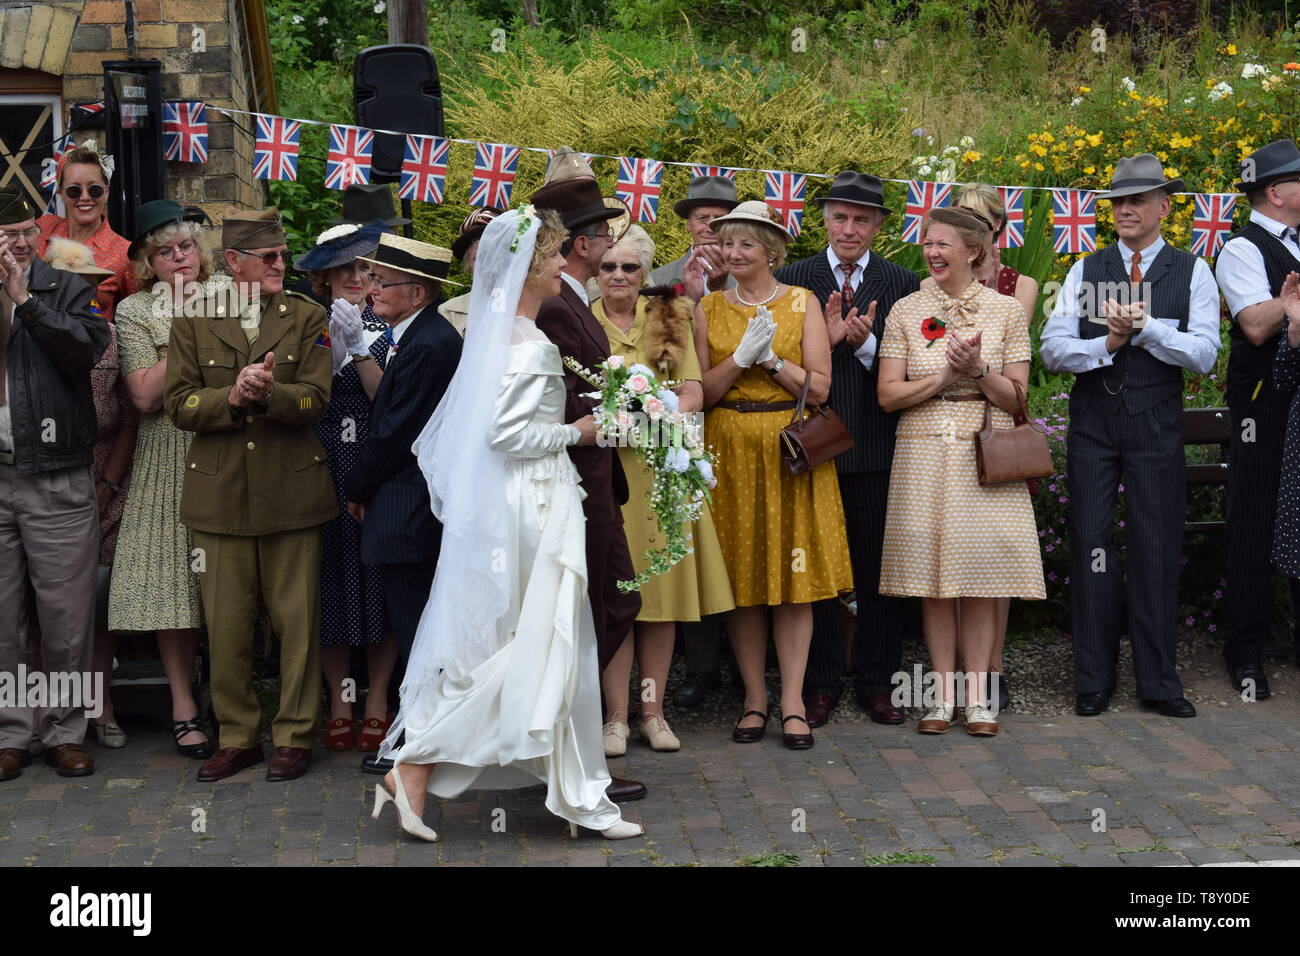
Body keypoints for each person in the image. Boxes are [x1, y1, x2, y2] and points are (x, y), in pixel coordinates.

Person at [371, 207, 643, 842]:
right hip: (533, 504)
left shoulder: (505, 335)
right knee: (540, 641)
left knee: (537, 643)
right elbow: (510, 434)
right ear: (527, 267)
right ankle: (421, 764)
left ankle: (570, 791)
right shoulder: (527, 342)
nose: (561, 267)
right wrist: (580, 429)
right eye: (552, 257)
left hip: (528, 499)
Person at [1041, 154, 1220, 718]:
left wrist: (1148, 330)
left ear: (1164, 208)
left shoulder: (1191, 271)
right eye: (1119, 201)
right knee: (1092, 545)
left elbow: (1206, 355)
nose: (1125, 209)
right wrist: (1109, 344)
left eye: (1137, 200)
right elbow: (1052, 348)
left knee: (1156, 548)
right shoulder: (1086, 272)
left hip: (1156, 426)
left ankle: (1158, 683)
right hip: (1095, 427)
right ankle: (1093, 680)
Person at [164, 208, 336, 782]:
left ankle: (294, 734)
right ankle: (237, 736)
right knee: (228, 627)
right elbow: (179, 405)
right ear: (234, 262)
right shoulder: (193, 319)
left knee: (297, 625)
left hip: (292, 493)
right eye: (269, 258)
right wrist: (231, 400)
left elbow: (317, 399)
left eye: (283, 255)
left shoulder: (308, 316)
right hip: (221, 498)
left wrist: (268, 396)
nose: (281, 266)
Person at [878, 208, 1045, 737]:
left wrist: (978, 372)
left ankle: (979, 701)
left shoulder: (1005, 312)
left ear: (973, 251)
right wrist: (946, 376)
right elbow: (888, 395)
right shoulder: (907, 309)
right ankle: (939, 698)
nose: (932, 252)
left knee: (979, 578)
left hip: (983, 455)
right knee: (933, 583)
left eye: (943, 243)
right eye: (927, 243)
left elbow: (1018, 397)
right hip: (922, 453)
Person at [696, 199, 853, 750]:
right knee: (742, 581)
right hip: (729, 450)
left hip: (790, 451)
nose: (734, 253)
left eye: (746, 244)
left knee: (793, 582)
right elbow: (702, 395)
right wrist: (739, 358)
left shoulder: (803, 302)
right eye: (729, 243)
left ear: (772, 252)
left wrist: (770, 362)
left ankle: (791, 702)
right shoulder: (708, 309)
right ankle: (753, 701)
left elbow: (822, 387)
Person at [775, 171, 920, 728]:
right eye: (840, 217)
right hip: (812, 447)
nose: (849, 228)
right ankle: (818, 684)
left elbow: (917, 365)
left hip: (876, 447)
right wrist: (831, 344)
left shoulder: (903, 283)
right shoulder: (793, 279)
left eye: (862, 219)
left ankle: (879, 682)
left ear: (879, 225)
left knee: (876, 570)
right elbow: (786, 365)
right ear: (825, 219)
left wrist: (868, 347)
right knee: (812, 571)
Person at [591, 225, 734, 755]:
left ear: (645, 275)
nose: (620, 276)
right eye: (610, 267)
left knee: (662, 601)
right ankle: (614, 718)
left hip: (664, 474)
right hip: (609, 476)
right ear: (597, 273)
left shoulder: (669, 316)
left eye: (631, 268)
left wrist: (659, 411)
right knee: (617, 598)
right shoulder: (583, 322)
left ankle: (654, 712)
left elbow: (695, 391)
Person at [532, 160, 646, 803]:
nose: (609, 242)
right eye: (601, 232)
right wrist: (619, 413)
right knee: (594, 608)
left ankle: (564, 738)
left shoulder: (574, 303)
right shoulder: (556, 309)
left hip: (598, 482)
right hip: (578, 482)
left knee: (612, 602)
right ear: (583, 244)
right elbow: (566, 399)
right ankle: (566, 745)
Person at [0, 186, 109, 781]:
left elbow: (85, 351)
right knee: (1, 621)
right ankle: (10, 734)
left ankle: (65, 731)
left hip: (56, 475)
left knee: (67, 618)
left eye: (24, 232)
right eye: (5, 235)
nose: (17, 244)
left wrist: (26, 303)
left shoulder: (64, 285)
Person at [345, 234, 465, 776]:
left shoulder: (428, 343)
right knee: (416, 622)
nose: (371, 290)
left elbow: (393, 432)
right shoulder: (418, 336)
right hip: (408, 501)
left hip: (410, 506)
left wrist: (356, 487)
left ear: (416, 293)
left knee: (417, 626)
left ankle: (419, 741)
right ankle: (420, 734)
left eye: (382, 282)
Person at [109, 200, 223, 759]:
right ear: (147, 263)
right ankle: (183, 705)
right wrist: (187, 325)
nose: (178, 258)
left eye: (185, 247)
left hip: (225, 446)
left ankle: (231, 698)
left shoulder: (231, 293)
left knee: (230, 582)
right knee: (172, 583)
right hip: (166, 453)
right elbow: (145, 394)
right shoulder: (134, 311)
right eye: (164, 251)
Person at [287, 221, 399, 753]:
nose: (358, 276)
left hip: (373, 466)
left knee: (378, 579)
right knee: (328, 581)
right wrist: (324, 354)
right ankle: (340, 699)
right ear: (326, 277)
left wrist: (358, 348)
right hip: (317, 464)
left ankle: (378, 698)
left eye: (365, 267)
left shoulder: (389, 324)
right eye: (346, 268)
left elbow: (391, 406)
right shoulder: (304, 324)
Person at [946, 182, 1042, 712]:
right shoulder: (935, 277)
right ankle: (958, 669)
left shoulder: (1017, 284)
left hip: (998, 417)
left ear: (996, 232)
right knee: (954, 544)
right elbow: (932, 338)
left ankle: (992, 668)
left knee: (995, 550)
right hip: (947, 421)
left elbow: (1005, 340)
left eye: (978, 222)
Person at [42, 239, 138, 750]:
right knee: (44, 604)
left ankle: (99, 703)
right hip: (45, 479)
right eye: (70, 285)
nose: (84, 294)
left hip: (103, 480)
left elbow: (127, 417)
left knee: (96, 604)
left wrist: (107, 485)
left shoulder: (111, 336)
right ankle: (47, 713)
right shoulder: (29, 336)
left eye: (89, 285)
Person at [1215, 139, 1300, 694]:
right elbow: (1253, 324)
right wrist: (1288, 304)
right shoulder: (1241, 250)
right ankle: (1245, 653)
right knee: (1252, 520)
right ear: (1276, 192)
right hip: (1264, 406)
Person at [36, 141, 134, 321]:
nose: (85, 197)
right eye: (74, 190)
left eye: (94, 189)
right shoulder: (42, 230)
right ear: (61, 194)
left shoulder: (125, 253)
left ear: (106, 192)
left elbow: (134, 317)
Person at [649, 174, 739, 293]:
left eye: (719, 219)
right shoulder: (656, 279)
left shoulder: (751, 278)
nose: (710, 228)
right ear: (688, 224)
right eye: (702, 218)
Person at [439, 207, 502, 335]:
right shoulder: (449, 312)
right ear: (468, 266)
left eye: (493, 255)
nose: (486, 265)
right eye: (478, 258)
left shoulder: (531, 307)